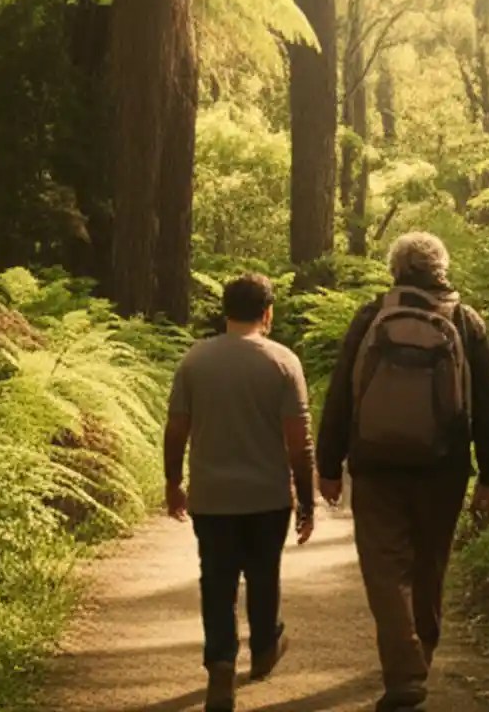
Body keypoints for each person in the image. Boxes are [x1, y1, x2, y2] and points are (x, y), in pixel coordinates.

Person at [316, 231, 489, 712]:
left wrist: (329, 464)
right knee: (430, 566)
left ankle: (404, 671)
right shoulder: (465, 321)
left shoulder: (371, 315)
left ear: (395, 270)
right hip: (443, 469)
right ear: (442, 270)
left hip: (375, 465)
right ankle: (417, 658)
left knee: (383, 569)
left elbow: (342, 392)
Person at [163, 273, 317, 712]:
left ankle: (221, 668)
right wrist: (306, 501)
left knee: (217, 581)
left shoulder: (195, 361)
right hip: (268, 498)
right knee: (264, 575)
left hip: (212, 498)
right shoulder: (283, 362)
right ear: (268, 313)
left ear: (224, 311)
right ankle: (265, 649)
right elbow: (299, 441)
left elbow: (176, 429)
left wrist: (173, 482)